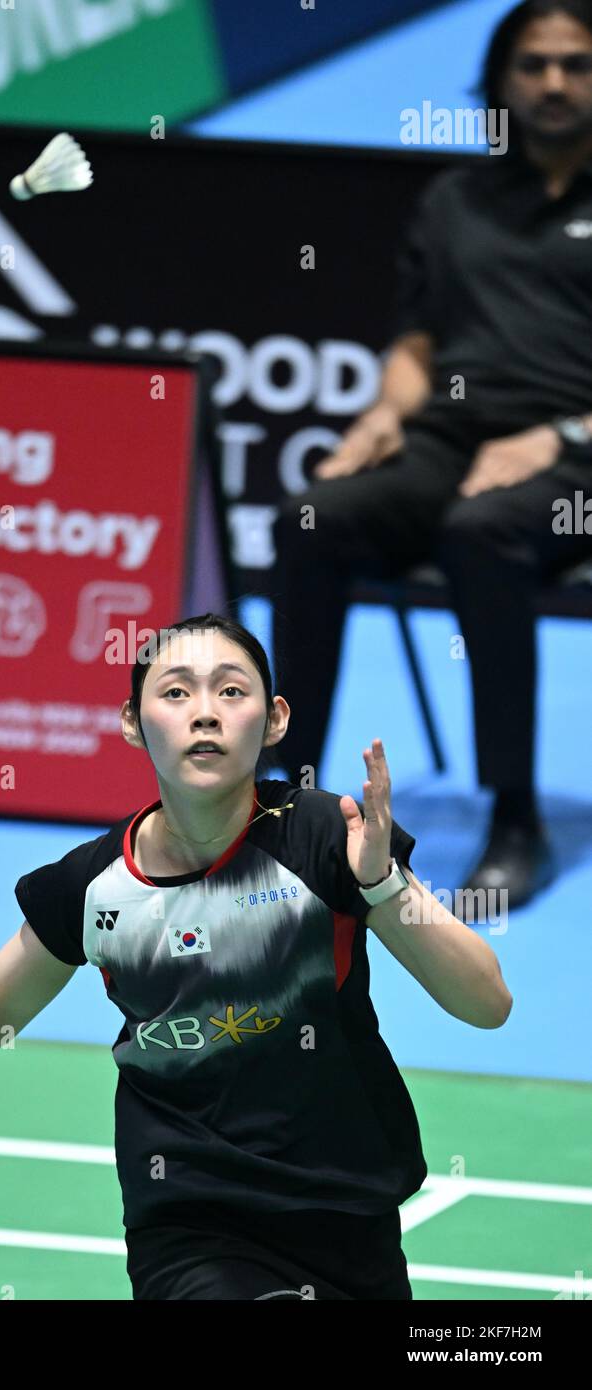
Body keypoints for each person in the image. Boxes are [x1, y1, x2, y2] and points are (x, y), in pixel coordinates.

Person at [0, 614, 512, 1301]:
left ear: (275, 719)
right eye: (177, 693)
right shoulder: (95, 886)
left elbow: (486, 1003)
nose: (205, 715)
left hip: (349, 1207)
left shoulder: (325, 837)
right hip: (191, 1219)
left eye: (230, 692)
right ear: (132, 721)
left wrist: (381, 884)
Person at [272, 0, 592, 915]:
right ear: (501, 81)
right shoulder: (456, 202)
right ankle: (285, 797)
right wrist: (382, 415)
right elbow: (417, 344)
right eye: (534, 65)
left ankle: (515, 816)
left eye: (576, 64)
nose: (555, 83)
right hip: (452, 437)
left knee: (480, 531)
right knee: (312, 518)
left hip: (575, 459)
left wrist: (560, 435)